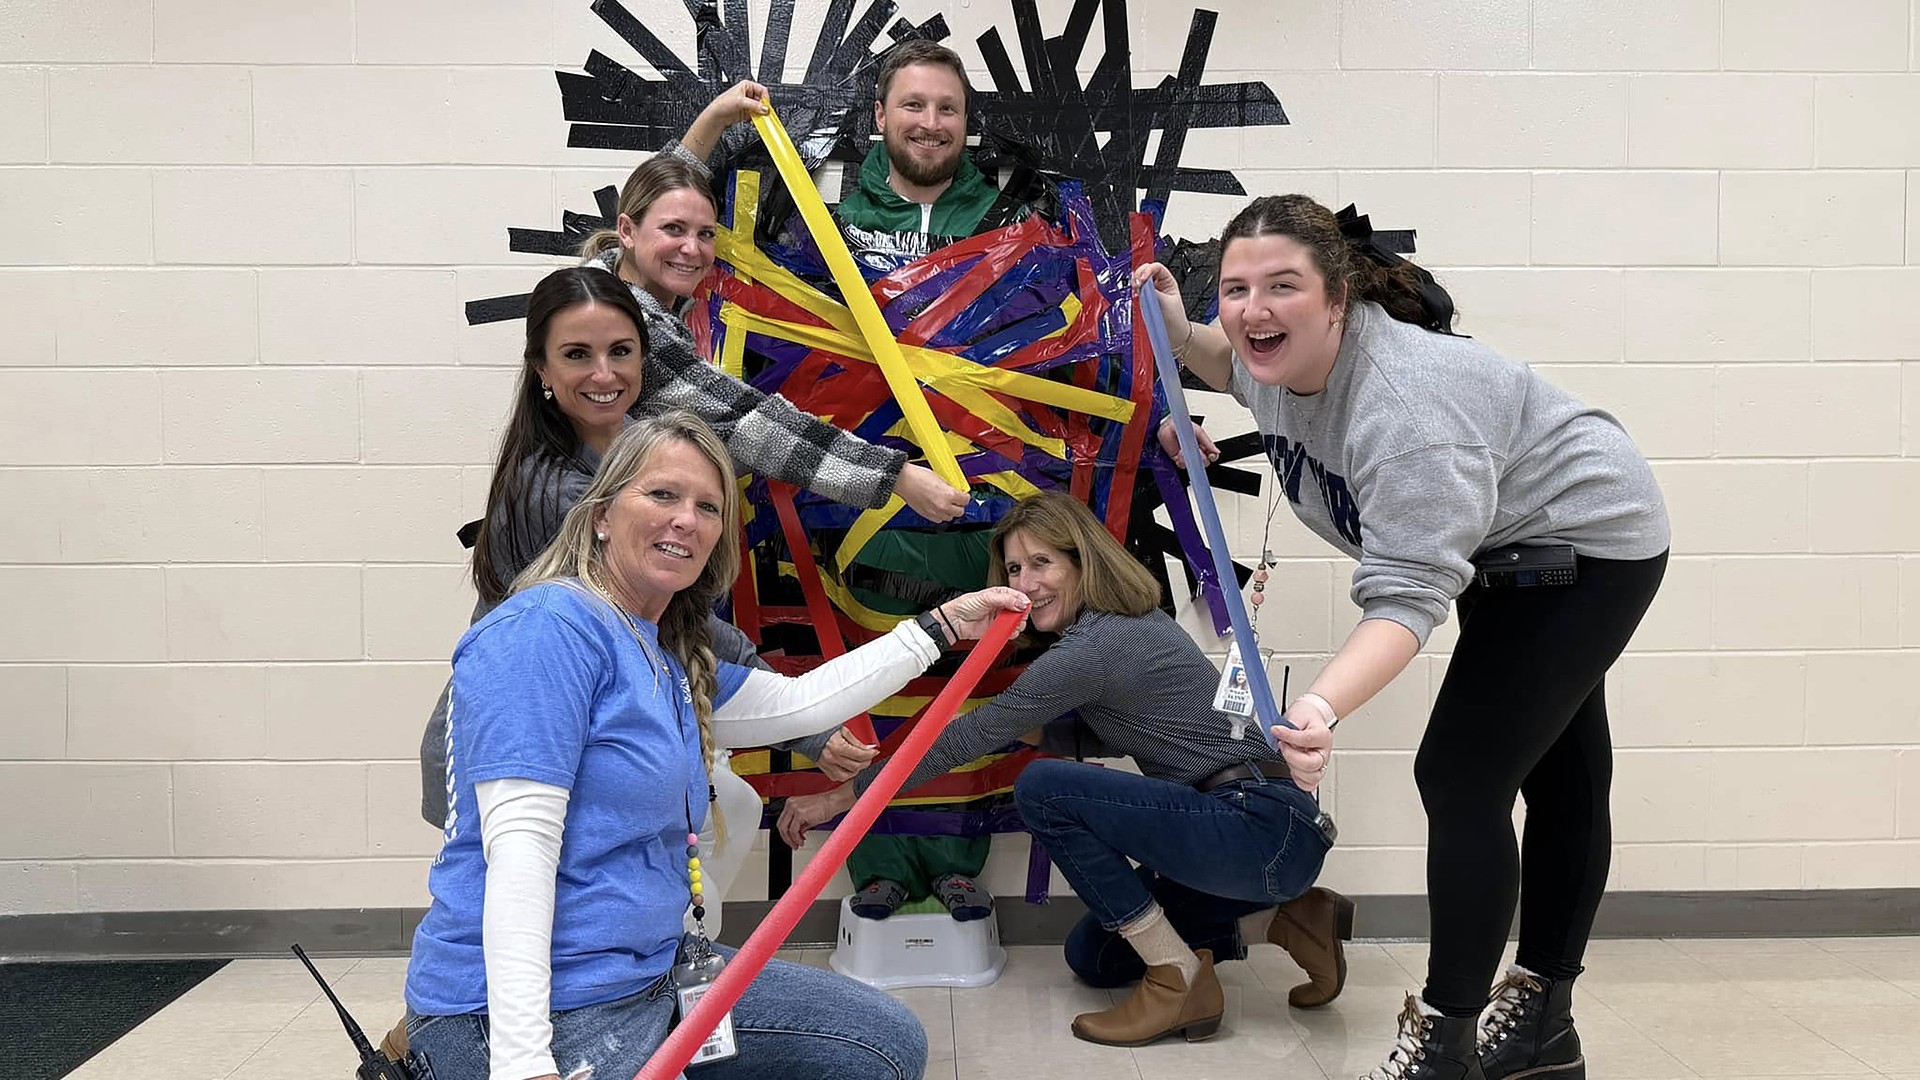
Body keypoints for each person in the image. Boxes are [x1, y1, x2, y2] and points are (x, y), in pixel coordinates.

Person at [1137, 193, 1670, 1080]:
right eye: (1236, 288)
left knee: (1462, 775)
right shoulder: (1280, 360)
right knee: (1555, 770)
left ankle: (1450, 1044)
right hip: (1502, 547)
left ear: (1339, 299)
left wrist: (1317, 708)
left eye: (1282, 286)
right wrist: (1179, 328)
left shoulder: (1405, 411)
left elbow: (1407, 598)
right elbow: (1229, 358)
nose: (1254, 309)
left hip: (1589, 544)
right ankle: (1546, 1031)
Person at [402, 410, 1030, 1080]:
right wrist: (526, 1065)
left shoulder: (661, 650)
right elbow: (520, 853)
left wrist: (939, 626)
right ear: (603, 514)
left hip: (650, 975)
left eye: (708, 506)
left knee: (883, 1042)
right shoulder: (547, 631)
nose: (686, 519)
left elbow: (798, 703)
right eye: (662, 494)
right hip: (528, 1015)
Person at [776, 491, 1338, 1047]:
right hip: (1260, 830)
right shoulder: (1126, 625)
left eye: (1042, 562)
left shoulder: (1091, 647)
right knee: (1095, 955)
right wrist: (1031, 720)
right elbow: (1118, 732)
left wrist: (837, 797)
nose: (1025, 584)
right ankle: (1289, 922)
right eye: (1015, 568)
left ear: (1082, 560)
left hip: (1256, 826)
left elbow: (964, 737)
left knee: (1042, 788)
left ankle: (1180, 979)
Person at [418, 266, 884, 932]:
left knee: (709, 834)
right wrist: (805, 724)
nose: (603, 372)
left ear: (646, 356)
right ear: (541, 369)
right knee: (521, 937)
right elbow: (673, 625)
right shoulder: (552, 490)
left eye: (620, 351)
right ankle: (431, 1033)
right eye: (577, 355)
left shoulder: (649, 445)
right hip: (520, 746)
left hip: (594, 735)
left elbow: (689, 612)